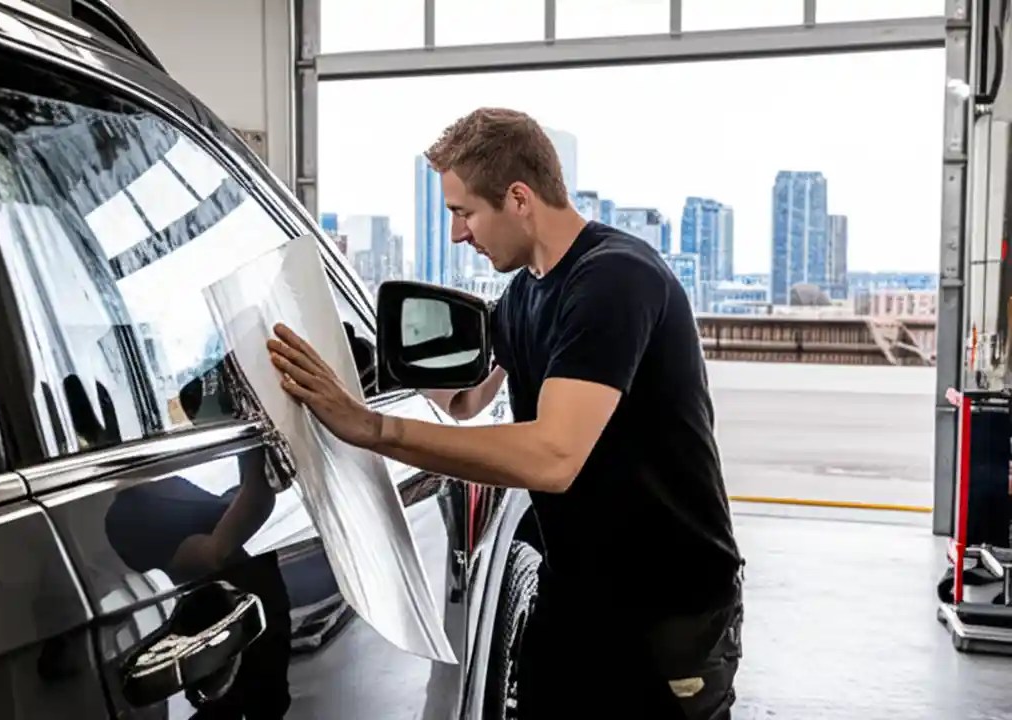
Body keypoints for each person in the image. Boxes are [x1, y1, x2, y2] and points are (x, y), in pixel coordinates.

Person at [266, 107, 744, 719]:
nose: (460, 234)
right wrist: (362, 361)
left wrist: (371, 427)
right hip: (578, 591)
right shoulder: (525, 292)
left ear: (519, 198)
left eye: (465, 213)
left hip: (666, 605)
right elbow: (466, 398)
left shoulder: (613, 280)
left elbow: (553, 456)